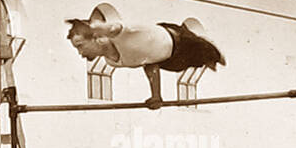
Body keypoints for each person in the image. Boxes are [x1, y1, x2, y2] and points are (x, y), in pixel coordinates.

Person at [66, 10, 225, 106]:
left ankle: (209, 48)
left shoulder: (120, 34)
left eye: (80, 45)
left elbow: (114, 28)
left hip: (179, 39)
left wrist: (97, 27)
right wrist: (156, 96)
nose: (80, 53)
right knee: (187, 65)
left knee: (210, 56)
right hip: (168, 61)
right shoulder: (111, 61)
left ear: (97, 38)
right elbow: (147, 61)